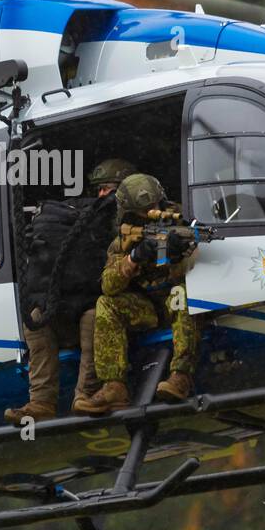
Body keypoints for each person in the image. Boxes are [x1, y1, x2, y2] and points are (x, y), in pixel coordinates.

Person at [4, 158, 137, 425]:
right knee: (36, 321)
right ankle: (40, 402)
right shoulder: (89, 219)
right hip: (66, 308)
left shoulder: (128, 220)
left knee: (94, 315)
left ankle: (86, 394)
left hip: (113, 308)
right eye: (98, 189)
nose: (102, 195)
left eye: (108, 188)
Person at [75, 173, 201, 416]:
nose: (154, 211)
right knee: (105, 304)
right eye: (146, 209)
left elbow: (193, 268)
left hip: (174, 299)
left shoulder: (180, 222)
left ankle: (181, 376)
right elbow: (109, 285)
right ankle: (114, 387)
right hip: (148, 308)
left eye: (156, 206)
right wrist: (134, 258)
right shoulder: (124, 237)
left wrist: (177, 254)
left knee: (183, 293)